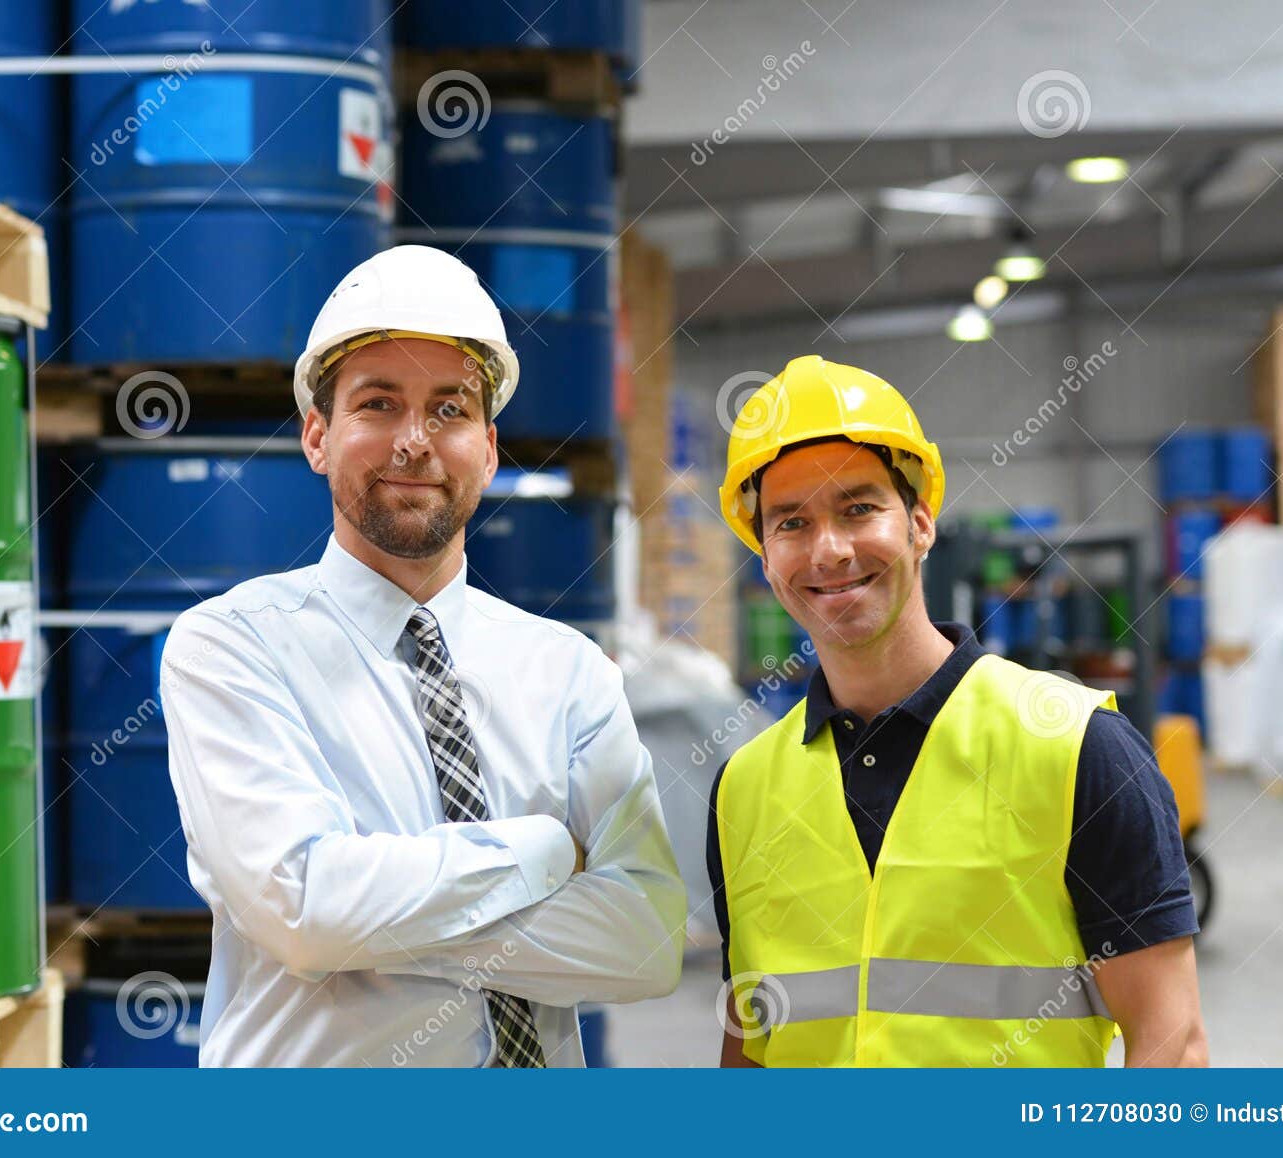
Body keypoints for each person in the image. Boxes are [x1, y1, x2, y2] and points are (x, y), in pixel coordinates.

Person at [161, 245, 685, 1067]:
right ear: (317, 435)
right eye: (378, 404)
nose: (416, 441)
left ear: (489, 445)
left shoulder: (570, 671)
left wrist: (370, 918)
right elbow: (306, 912)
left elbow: (647, 943)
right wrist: (547, 851)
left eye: (451, 409)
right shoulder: (234, 646)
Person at [705, 355, 1207, 1067]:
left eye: (858, 508)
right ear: (765, 557)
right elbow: (749, 1053)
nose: (829, 549)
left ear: (920, 522)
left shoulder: (1077, 748)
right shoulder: (744, 789)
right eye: (791, 522)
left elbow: (1171, 1043)